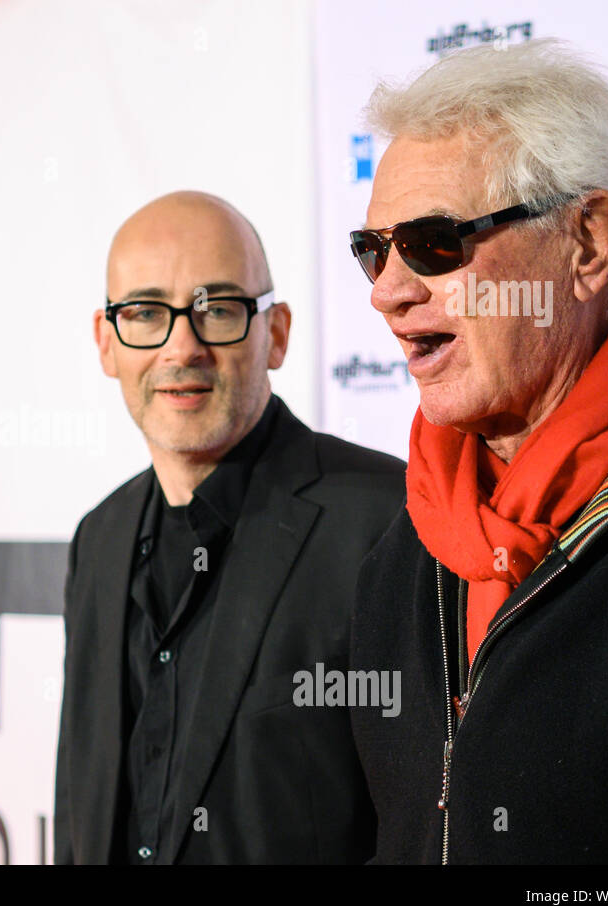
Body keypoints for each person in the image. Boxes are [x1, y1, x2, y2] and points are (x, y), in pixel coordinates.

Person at [346, 39, 608, 863]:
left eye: (435, 241)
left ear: (586, 245)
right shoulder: (402, 554)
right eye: (374, 249)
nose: (387, 291)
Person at [54, 190, 406, 863]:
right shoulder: (96, 539)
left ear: (275, 333)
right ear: (107, 342)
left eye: (217, 308)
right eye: (146, 312)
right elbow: (80, 807)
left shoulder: (386, 521)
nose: (181, 347)